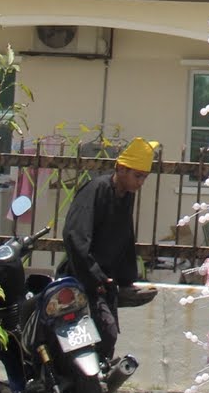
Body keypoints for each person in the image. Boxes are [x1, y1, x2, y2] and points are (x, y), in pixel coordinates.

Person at [61, 138, 157, 365]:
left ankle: (95, 384)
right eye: (138, 176)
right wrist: (95, 276)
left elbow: (124, 239)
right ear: (121, 169)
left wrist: (126, 282)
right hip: (80, 277)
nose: (141, 182)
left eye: (144, 177)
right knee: (84, 335)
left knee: (106, 336)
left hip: (104, 282)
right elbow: (75, 237)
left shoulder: (126, 196)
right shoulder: (96, 189)